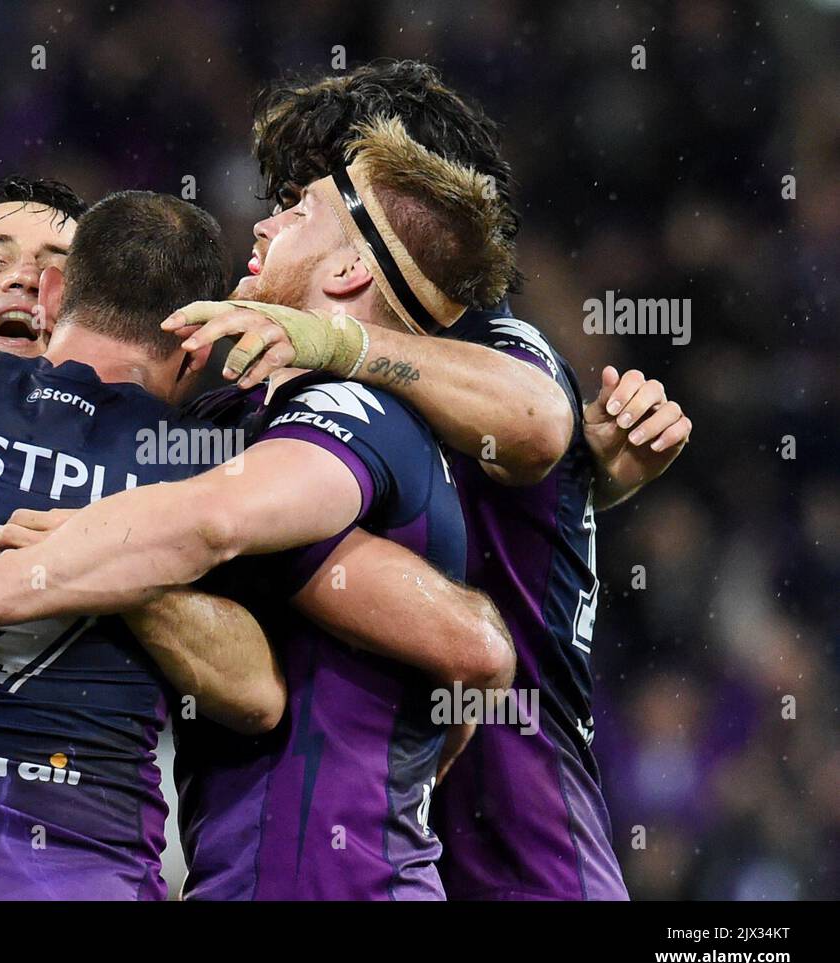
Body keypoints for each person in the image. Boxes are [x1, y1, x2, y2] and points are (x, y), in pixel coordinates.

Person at [0, 122, 523, 899]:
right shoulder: (212, 439)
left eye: (299, 210)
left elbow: (467, 641)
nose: (267, 221)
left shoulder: (323, 423)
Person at [156, 60, 693, 899]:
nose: (275, 220)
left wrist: (337, 341)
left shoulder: (483, 344)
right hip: (398, 848)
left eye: (311, 198)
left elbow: (537, 423)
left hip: (522, 850)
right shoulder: (291, 395)